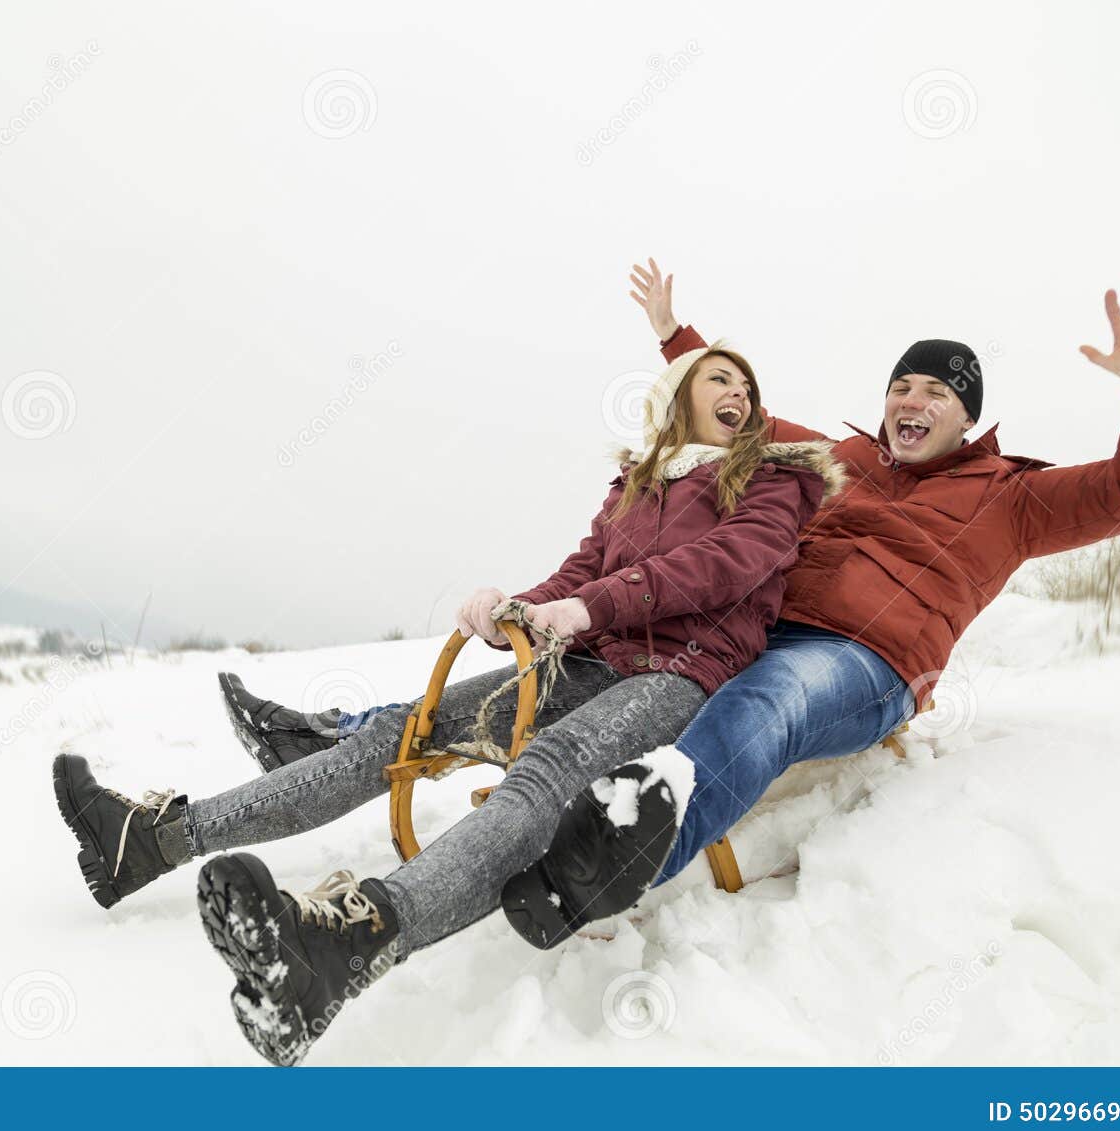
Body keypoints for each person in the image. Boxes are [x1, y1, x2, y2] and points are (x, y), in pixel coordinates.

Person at [225, 260, 1120, 949]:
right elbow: (728, 410)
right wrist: (671, 335)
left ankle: (608, 855)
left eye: (931, 391)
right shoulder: (840, 459)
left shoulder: (1014, 496)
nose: (909, 400)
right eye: (899, 385)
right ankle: (348, 735)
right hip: (734, 627)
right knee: (563, 667)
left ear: (966, 409)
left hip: (852, 662)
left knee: (765, 701)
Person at [53, 340, 843, 1065]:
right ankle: (152, 839)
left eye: (747, 384)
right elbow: (582, 569)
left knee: (545, 771)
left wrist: (589, 608)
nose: (739, 392)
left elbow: (728, 564)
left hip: (680, 673)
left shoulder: (776, 478)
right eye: (720, 378)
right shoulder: (637, 483)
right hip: (588, 658)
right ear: (678, 395)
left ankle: (346, 948)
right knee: (401, 731)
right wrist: (516, 610)